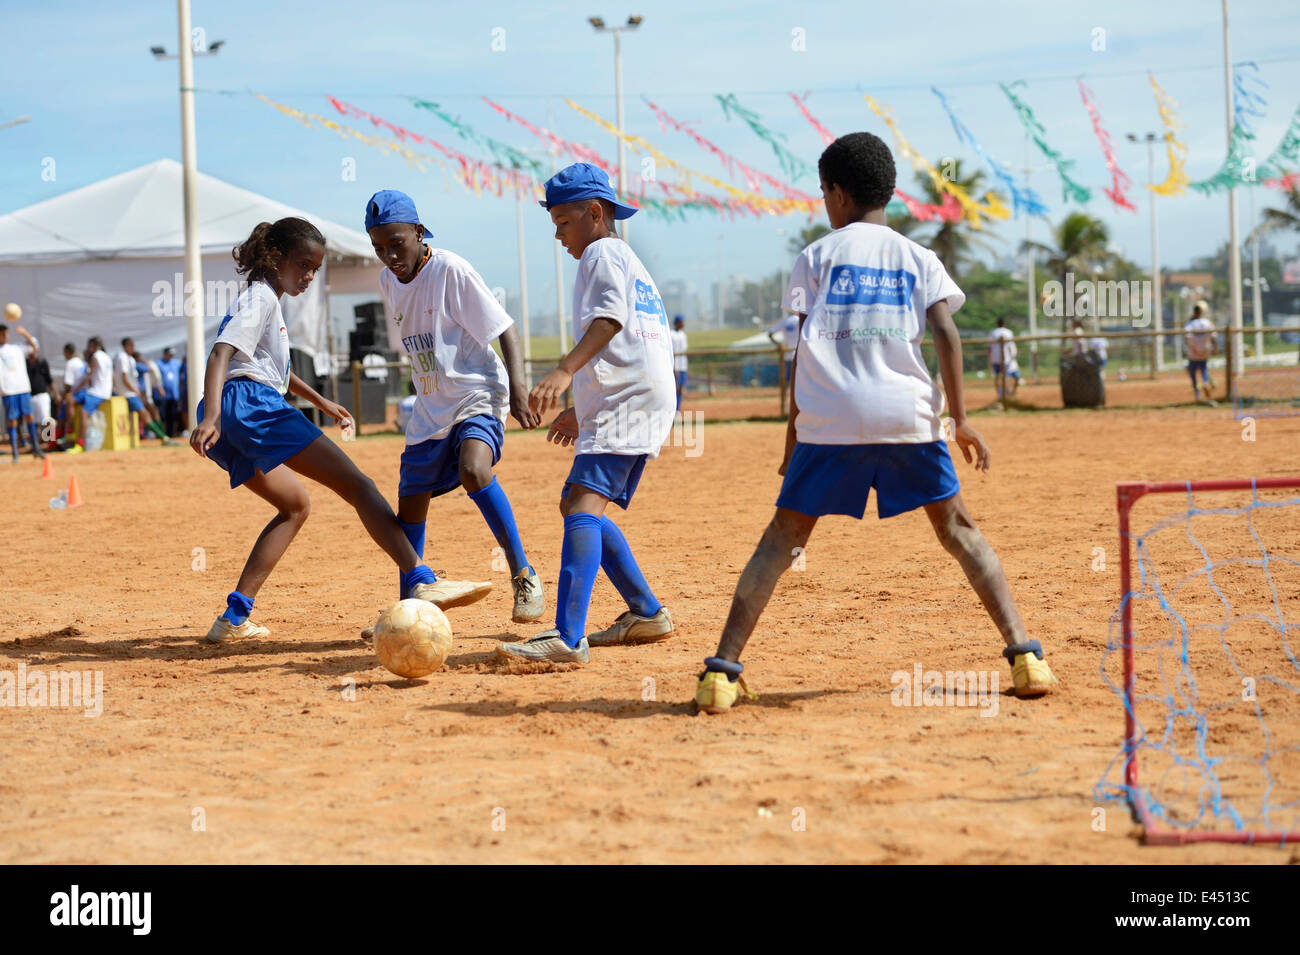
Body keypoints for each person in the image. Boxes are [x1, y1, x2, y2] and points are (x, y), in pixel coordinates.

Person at [694, 132, 1056, 714]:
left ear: (836, 194)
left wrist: (793, 439)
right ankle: (1025, 656)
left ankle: (720, 675)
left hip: (830, 419)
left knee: (782, 539)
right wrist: (959, 418)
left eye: (823, 192)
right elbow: (945, 333)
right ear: (888, 191)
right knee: (959, 531)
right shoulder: (920, 258)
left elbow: (802, 356)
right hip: (906, 416)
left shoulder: (815, 256)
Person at [190, 216, 451, 644]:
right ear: (275, 258)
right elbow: (220, 354)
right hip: (248, 407)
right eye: (303, 266)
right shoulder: (260, 299)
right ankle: (421, 577)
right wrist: (211, 418)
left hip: (238, 411)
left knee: (295, 505)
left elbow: (267, 366)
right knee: (359, 486)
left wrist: (321, 402)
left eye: (314, 268)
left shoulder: (263, 299)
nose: (309, 276)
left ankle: (233, 617)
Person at [496, 162, 676, 664]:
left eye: (562, 224)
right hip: (631, 393)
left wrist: (561, 372)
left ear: (594, 213)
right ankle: (644, 612)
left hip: (629, 398)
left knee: (581, 508)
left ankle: (568, 637)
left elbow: (609, 322)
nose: (558, 236)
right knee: (577, 502)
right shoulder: (621, 257)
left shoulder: (600, 252)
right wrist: (581, 405)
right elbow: (628, 339)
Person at [365, 188, 543, 623]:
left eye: (397, 243)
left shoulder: (450, 270)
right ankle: (412, 603)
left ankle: (523, 574)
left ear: (419, 232)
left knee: (473, 470)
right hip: (430, 406)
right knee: (410, 502)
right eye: (379, 248)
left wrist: (519, 389)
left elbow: (505, 328)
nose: (389, 256)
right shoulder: (388, 281)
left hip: (477, 392)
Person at [0, 318, 45, 462]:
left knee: (30, 417)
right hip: (8, 390)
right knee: (12, 421)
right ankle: (14, 453)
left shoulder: (16, 348)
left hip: (23, 388)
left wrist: (25, 333)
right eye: (2, 334)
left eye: (6, 334)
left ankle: (36, 449)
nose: (5, 337)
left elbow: (34, 347)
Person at [113, 337, 173, 445]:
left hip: (135, 392)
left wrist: (138, 391)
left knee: (152, 411)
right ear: (125, 346)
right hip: (128, 393)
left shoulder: (130, 359)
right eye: (130, 345)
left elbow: (132, 378)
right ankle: (163, 438)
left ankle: (163, 436)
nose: (132, 348)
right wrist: (136, 391)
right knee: (145, 413)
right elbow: (124, 377)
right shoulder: (122, 358)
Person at [65, 336, 114, 452]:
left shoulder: (96, 357)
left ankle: (79, 444)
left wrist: (74, 390)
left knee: (83, 413)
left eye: (89, 346)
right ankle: (70, 431)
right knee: (71, 400)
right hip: (99, 391)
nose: (88, 349)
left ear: (95, 346)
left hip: (98, 392)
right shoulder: (107, 357)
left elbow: (89, 376)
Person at [1184, 301, 1217, 404]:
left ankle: (1197, 394)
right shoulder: (1207, 323)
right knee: (1203, 368)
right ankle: (1206, 382)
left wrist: (1192, 347)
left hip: (1193, 351)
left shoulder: (1189, 324)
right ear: (1202, 312)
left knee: (1192, 372)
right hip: (1205, 349)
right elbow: (1213, 336)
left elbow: (1187, 337)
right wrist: (1215, 348)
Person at [26, 346, 55, 452]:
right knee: (33, 421)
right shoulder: (25, 363)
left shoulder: (42, 362)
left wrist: (55, 393)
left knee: (46, 419)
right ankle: (37, 444)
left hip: (42, 394)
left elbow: (49, 379)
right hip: (29, 395)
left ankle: (50, 443)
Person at [59, 342, 87, 444]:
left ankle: (67, 431)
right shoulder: (81, 362)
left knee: (62, 409)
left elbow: (68, 384)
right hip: (84, 391)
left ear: (67, 352)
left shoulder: (70, 363)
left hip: (77, 393)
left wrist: (64, 397)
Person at [156, 347, 183, 436]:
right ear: (165, 354)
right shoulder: (159, 364)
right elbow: (156, 378)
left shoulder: (176, 363)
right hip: (163, 394)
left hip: (174, 394)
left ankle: (171, 434)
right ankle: (162, 434)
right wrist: (160, 388)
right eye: (169, 354)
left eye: (172, 355)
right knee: (163, 415)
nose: (171, 356)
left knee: (173, 415)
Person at [987, 318, 1015, 404]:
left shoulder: (992, 332)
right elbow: (1011, 347)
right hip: (1006, 358)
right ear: (1004, 324)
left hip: (995, 357)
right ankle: (1007, 392)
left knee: (997, 376)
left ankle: (999, 393)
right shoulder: (1009, 332)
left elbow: (989, 347)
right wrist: (1012, 357)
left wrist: (989, 359)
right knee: (1006, 376)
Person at [670, 314, 689, 410]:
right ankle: (673, 410)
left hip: (683, 366)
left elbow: (684, 350)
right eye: (682, 321)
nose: (683, 323)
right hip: (676, 366)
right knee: (674, 390)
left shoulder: (683, 335)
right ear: (678, 322)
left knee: (681, 389)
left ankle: (678, 409)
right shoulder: (671, 334)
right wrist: (673, 368)